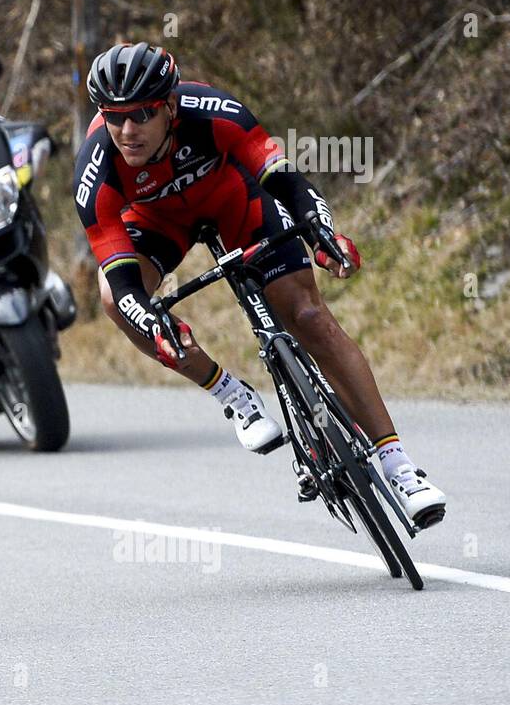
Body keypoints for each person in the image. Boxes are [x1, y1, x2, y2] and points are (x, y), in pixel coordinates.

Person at [73, 42, 447, 529]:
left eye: (141, 114)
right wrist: (152, 319)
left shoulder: (214, 113)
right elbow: (121, 278)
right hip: (157, 224)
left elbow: (287, 180)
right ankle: (231, 394)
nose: (127, 130)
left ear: (168, 106)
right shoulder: (96, 166)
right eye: (114, 116)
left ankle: (399, 467)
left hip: (235, 201)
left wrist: (322, 232)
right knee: (112, 300)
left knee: (309, 316)